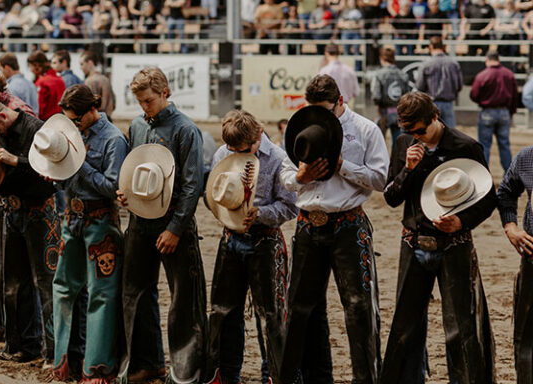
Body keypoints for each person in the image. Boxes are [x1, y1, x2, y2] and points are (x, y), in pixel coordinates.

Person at [380, 91, 497, 383]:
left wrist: (462, 221)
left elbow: (488, 199)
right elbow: (391, 198)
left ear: (435, 116)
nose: (417, 136)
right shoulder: (404, 143)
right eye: (410, 131)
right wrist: (407, 169)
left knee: (461, 325)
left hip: (454, 245)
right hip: (414, 242)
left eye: (421, 130)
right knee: (406, 326)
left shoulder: (466, 146)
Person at [278, 74, 389, 384]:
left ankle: (364, 378)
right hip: (307, 224)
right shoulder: (298, 126)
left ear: (341, 101)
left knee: (358, 307)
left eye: (326, 109)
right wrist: (300, 177)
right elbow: (284, 176)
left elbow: (381, 179)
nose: (321, 116)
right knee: (299, 307)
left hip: (348, 224)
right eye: (315, 110)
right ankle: (305, 377)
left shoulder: (366, 130)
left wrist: (343, 167)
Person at [116, 67, 208, 384]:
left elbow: (192, 185)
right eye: (141, 101)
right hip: (140, 221)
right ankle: (146, 362)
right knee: (134, 294)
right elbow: (133, 171)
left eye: (149, 100)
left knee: (184, 299)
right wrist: (124, 192)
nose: (145, 107)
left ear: (165, 92)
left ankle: (186, 372)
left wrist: (177, 228)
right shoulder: (137, 126)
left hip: (173, 222)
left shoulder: (187, 130)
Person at [204, 109, 298, 384]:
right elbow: (213, 195)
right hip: (231, 238)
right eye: (231, 148)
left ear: (258, 138)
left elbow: (290, 206)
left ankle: (275, 376)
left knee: (271, 316)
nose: (234, 152)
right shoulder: (223, 154)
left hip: (266, 241)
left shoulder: (279, 159)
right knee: (223, 310)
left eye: (241, 149)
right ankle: (226, 373)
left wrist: (262, 213)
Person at [0, 99, 63, 364]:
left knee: (46, 282)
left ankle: (53, 353)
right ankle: (21, 345)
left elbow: (51, 169)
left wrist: (15, 160)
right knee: (13, 282)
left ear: (1, 117)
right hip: (11, 211)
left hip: (39, 213)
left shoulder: (37, 129)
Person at [50, 84, 129, 383]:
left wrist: (79, 166)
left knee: (102, 293)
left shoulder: (113, 140)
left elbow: (113, 187)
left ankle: (97, 368)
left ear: (91, 111)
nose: (72, 124)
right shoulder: (75, 134)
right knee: (63, 287)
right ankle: (62, 360)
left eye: (76, 119)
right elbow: (67, 178)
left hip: (100, 220)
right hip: (72, 216)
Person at [497, 145, 533, 383]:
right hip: (532, 258)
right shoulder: (527, 158)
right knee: (526, 337)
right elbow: (506, 192)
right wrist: (511, 228)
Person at [470, 50, 518, 172]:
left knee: (485, 145)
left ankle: (484, 174)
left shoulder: (482, 75)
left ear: (487, 60)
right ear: (498, 59)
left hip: (487, 112)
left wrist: (482, 101)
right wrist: (511, 111)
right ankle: (509, 174)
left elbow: (474, 94)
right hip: (504, 112)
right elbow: (515, 95)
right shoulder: (509, 74)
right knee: (504, 145)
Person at [416, 36, 463, 130]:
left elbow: (419, 86)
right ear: (443, 47)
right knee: (450, 135)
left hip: (432, 104)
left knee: (432, 135)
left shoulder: (426, 64)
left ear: (430, 47)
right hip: (448, 103)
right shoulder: (453, 63)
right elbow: (459, 85)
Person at [371, 47, 411, 149]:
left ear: (382, 59)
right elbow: (408, 95)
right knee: (398, 143)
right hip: (399, 112)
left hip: (384, 111)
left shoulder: (379, 74)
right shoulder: (403, 74)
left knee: (379, 143)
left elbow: (376, 96)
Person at [27, 51, 66, 121]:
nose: (31, 70)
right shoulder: (60, 79)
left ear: (37, 65)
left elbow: (39, 108)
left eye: (31, 66)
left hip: (45, 122)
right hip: (59, 120)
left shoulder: (42, 82)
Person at [80, 51, 116, 119]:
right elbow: (113, 102)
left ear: (90, 63)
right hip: (107, 119)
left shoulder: (89, 81)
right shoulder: (105, 79)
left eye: (82, 64)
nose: (81, 67)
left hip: (95, 120)